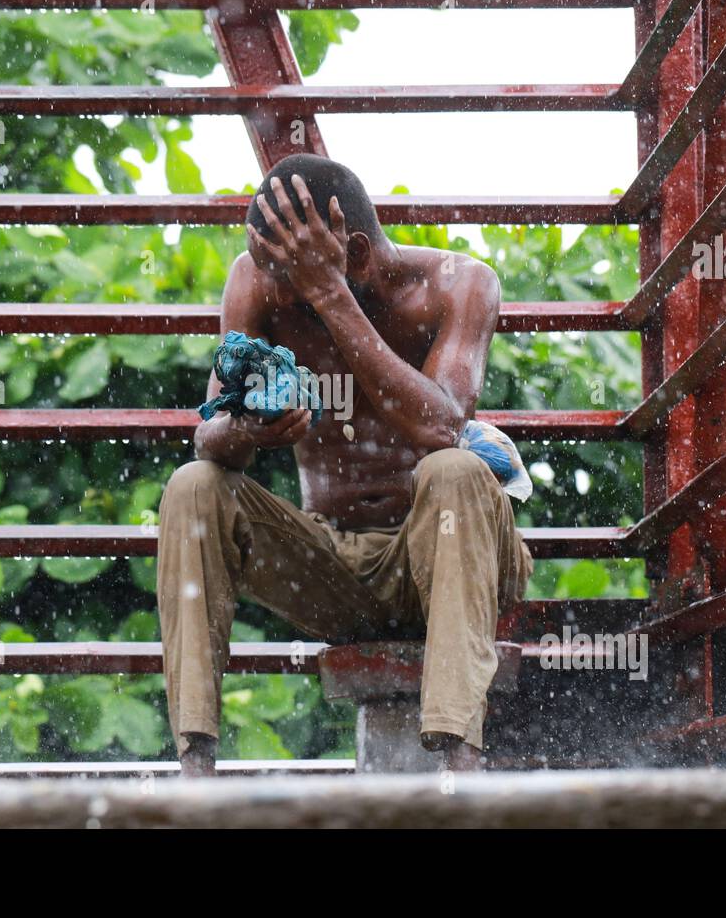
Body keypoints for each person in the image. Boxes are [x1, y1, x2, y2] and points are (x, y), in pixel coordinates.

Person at [156, 153, 533, 776]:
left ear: (354, 255)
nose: (276, 288)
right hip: (331, 570)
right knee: (193, 485)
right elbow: (209, 440)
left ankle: (460, 762)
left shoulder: (459, 283)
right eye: (273, 269)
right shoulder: (255, 282)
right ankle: (196, 766)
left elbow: (443, 427)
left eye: (292, 275)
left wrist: (330, 295)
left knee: (455, 470)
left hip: (445, 559)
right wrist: (248, 425)